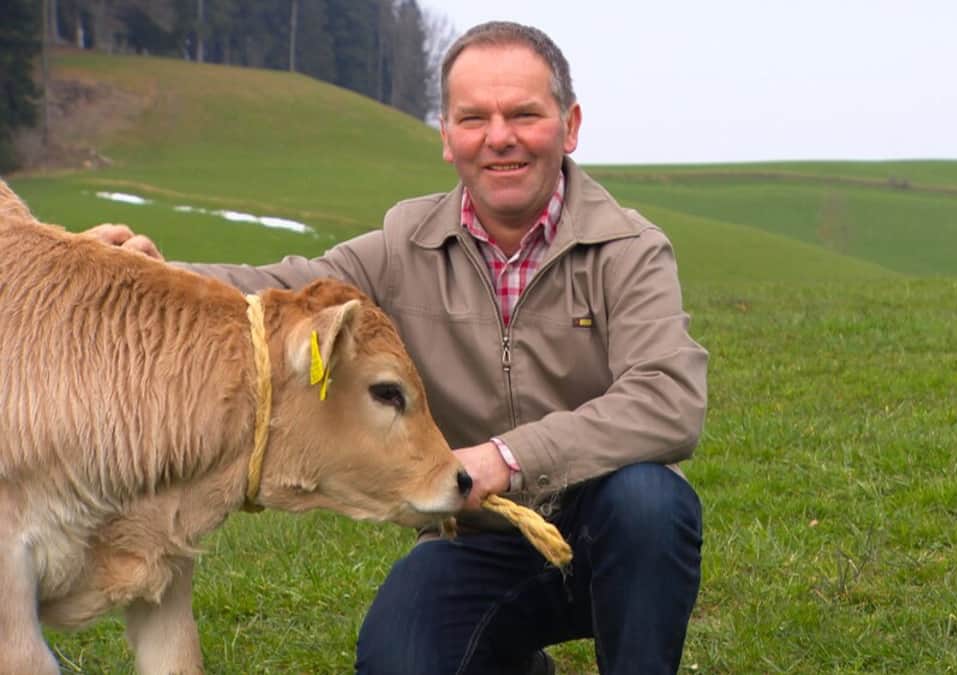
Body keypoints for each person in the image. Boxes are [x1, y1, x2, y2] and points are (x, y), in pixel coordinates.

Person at [91, 21, 706, 675]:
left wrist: (509, 456)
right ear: (447, 134)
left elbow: (668, 398)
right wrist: (159, 276)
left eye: (524, 113)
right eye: (474, 117)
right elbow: (278, 291)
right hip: (477, 536)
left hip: (608, 531)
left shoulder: (628, 250)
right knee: (397, 658)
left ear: (570, 124)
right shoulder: (402, 244)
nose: (500, 136)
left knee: (650, 502)